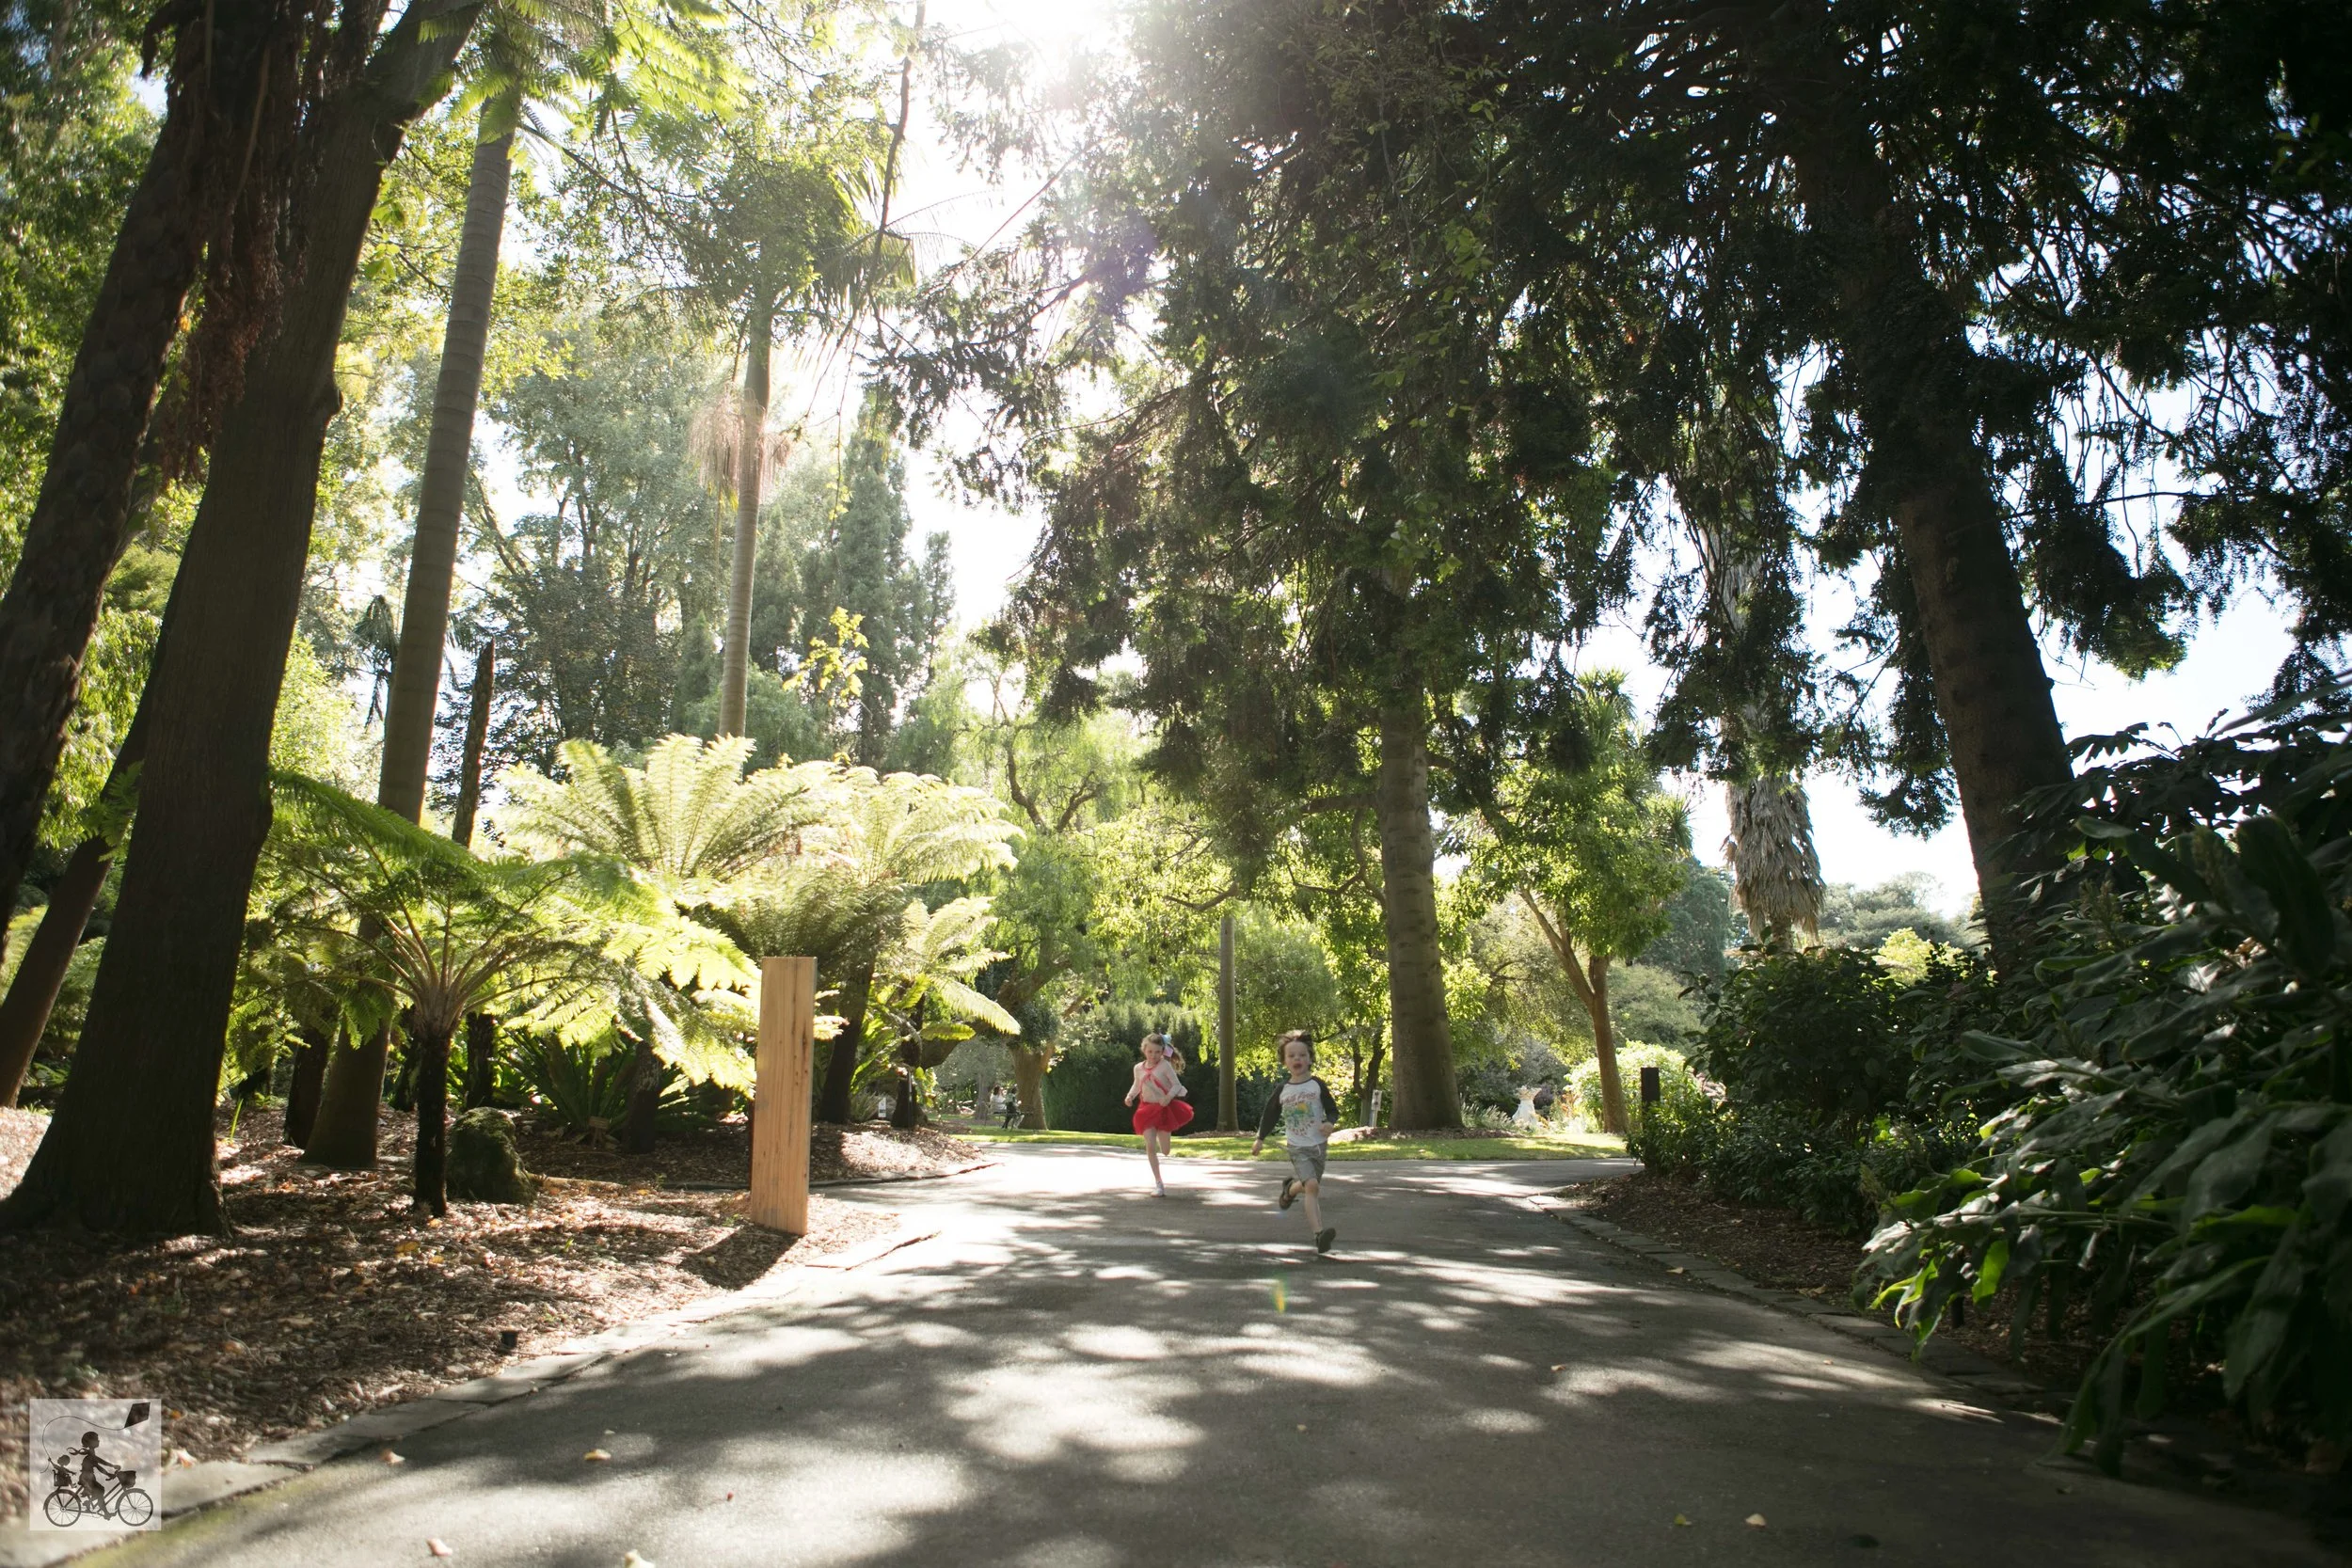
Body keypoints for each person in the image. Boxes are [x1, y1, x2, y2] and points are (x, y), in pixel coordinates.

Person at [1251, 1030, 1339, 1253]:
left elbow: (1332, 1110)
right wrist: (1260, 1139)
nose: (1297, 1059)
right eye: (1291, 1056)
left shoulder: (1317, 1085)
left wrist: (1330, 1123)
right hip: (1297, 1146)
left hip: (1318, 1145)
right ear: (1284, 1061)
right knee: (1313, 1186)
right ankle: (1319, 1235)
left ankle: (1290, 1190)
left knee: (1309, 1185)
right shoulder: (1283, 1090)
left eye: (1302, 1055)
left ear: (1309, 1058)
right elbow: (1269, 1115)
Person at [1124, 1032, 1193, 1196]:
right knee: (1150, 1145)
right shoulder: (1138, 1068)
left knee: (1166, 1150)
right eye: (1150, 1052)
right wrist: (1130, 1096)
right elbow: (1137, 1084)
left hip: (1163, 1110)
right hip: (1146, 1109)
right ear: (1144, 1050)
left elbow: (1176, 1085)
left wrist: (1168, 1098)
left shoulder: (1164, 1066)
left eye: (1157, 1052)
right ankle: (1159, 1183)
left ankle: (1161, 1138)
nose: (1153, 1055)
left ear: (1162, 1051)